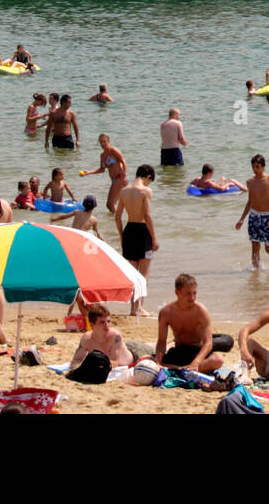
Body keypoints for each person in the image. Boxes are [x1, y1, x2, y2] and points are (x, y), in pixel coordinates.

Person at [154, 274, 226, 372]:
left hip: (196, 351)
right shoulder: (166, 312)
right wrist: (159, 356)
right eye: (188, 293)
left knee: (218, 359)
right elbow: (162, 341)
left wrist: (196, 362)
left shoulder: (201, 312)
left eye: (194, 293)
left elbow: (208, 343)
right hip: (179, 351)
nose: (192, 297)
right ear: (177, 293)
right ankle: (185, 370)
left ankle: (181, 369)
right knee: (148, 359)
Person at [115, 164, 158, 316]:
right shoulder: (145, 191)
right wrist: (154, 238)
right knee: (143, 273)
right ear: (148, 177)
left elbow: (118, 216)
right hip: (142, 231)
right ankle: (138, 307)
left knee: (133, 273)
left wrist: (121, 235)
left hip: (129, 230)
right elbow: (147, 216)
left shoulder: (124, 191)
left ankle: (133, 308)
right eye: (150, 181)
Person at [236, 153, 269, 269]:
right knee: (255, 245)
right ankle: (255, 272)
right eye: (253, 167)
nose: (255, 169)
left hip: (267, 217)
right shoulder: (250, 181)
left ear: (263, 166)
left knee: (268, 247)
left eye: (257, 167)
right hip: (254, 216)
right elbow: (250, 201)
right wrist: (241, 219)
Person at [68, 303, 136, 374]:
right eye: (102, 322)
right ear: (92, 325)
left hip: (134, 354)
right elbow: (76, 360)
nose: (107, 326)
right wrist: (78, 370)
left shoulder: (115, 336)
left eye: (108, 321)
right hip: (124, 347)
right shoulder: (86, 338)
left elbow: (114, 363)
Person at [83, 133, 128, 213]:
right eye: (100, 142)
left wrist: (125, 176)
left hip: (119, 178)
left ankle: (117, 219)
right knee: (109, 205)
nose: (102, 144)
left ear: (108, 141)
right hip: (114, 180)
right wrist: (88, 172)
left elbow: (123, 161)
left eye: (104, 141)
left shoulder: (113, 150)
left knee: (111, 204)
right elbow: (101, 170)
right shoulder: (103, 155)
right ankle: (116, 219)